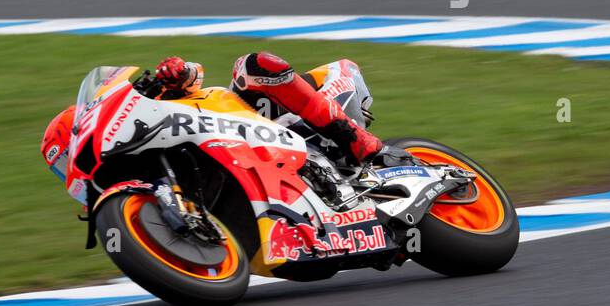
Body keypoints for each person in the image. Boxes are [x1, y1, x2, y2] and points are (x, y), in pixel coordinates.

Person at [40, 52, 387, 194]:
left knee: (252, 65)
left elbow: (195, 75)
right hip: (252, 175)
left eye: (68, 157)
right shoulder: (150, 194)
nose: (70, 169)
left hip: (255, 121)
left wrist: (174, 73)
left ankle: (356, 139)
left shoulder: (148, 110)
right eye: (62, 168)